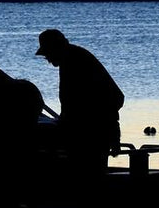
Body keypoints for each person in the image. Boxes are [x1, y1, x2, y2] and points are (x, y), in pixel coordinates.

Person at [35, 28, 125, 174]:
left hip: (93, 131)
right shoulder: (72, 58)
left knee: (88, 172)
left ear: (55, 48)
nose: (48, 60)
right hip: (94, 129)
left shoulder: (74, 61)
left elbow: (77, 103)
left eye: (48, 55)